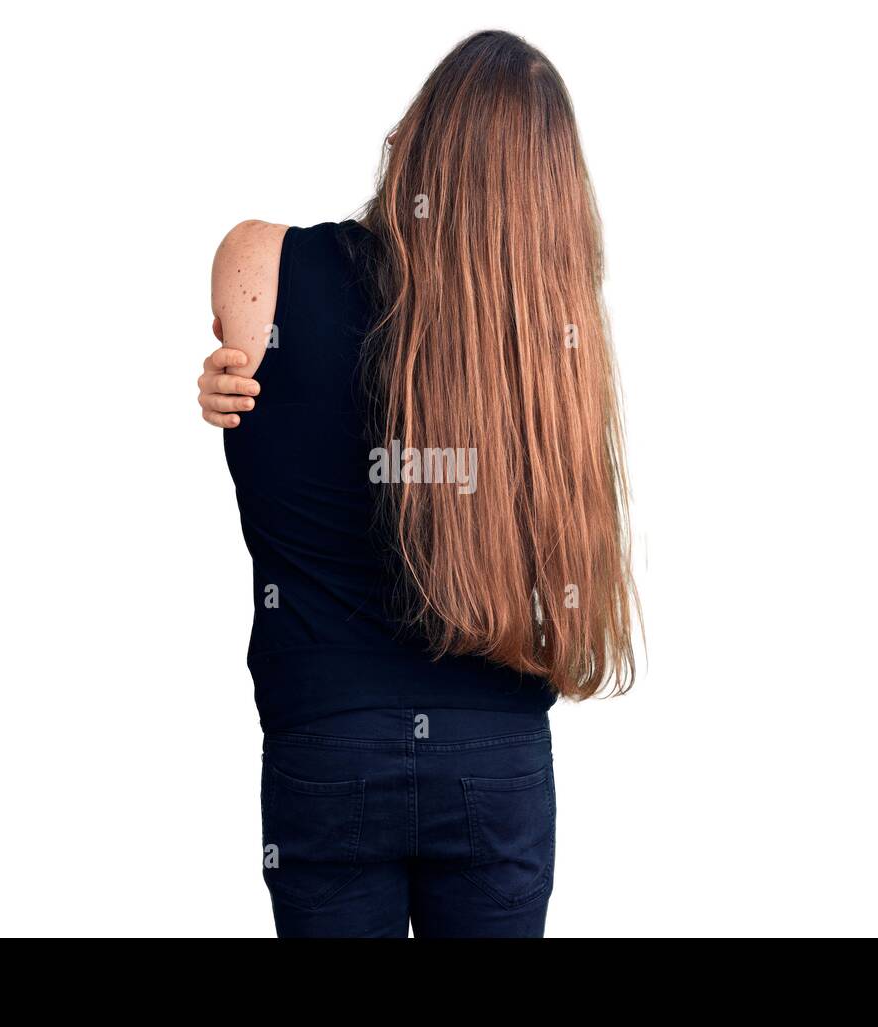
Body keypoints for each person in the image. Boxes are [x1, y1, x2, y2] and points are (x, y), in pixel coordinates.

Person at [199, 29, 637, 938]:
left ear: (419, 134)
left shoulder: (258, 265)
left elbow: (262, 378)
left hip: (327, 745)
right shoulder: (547, 361)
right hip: (495, 760)